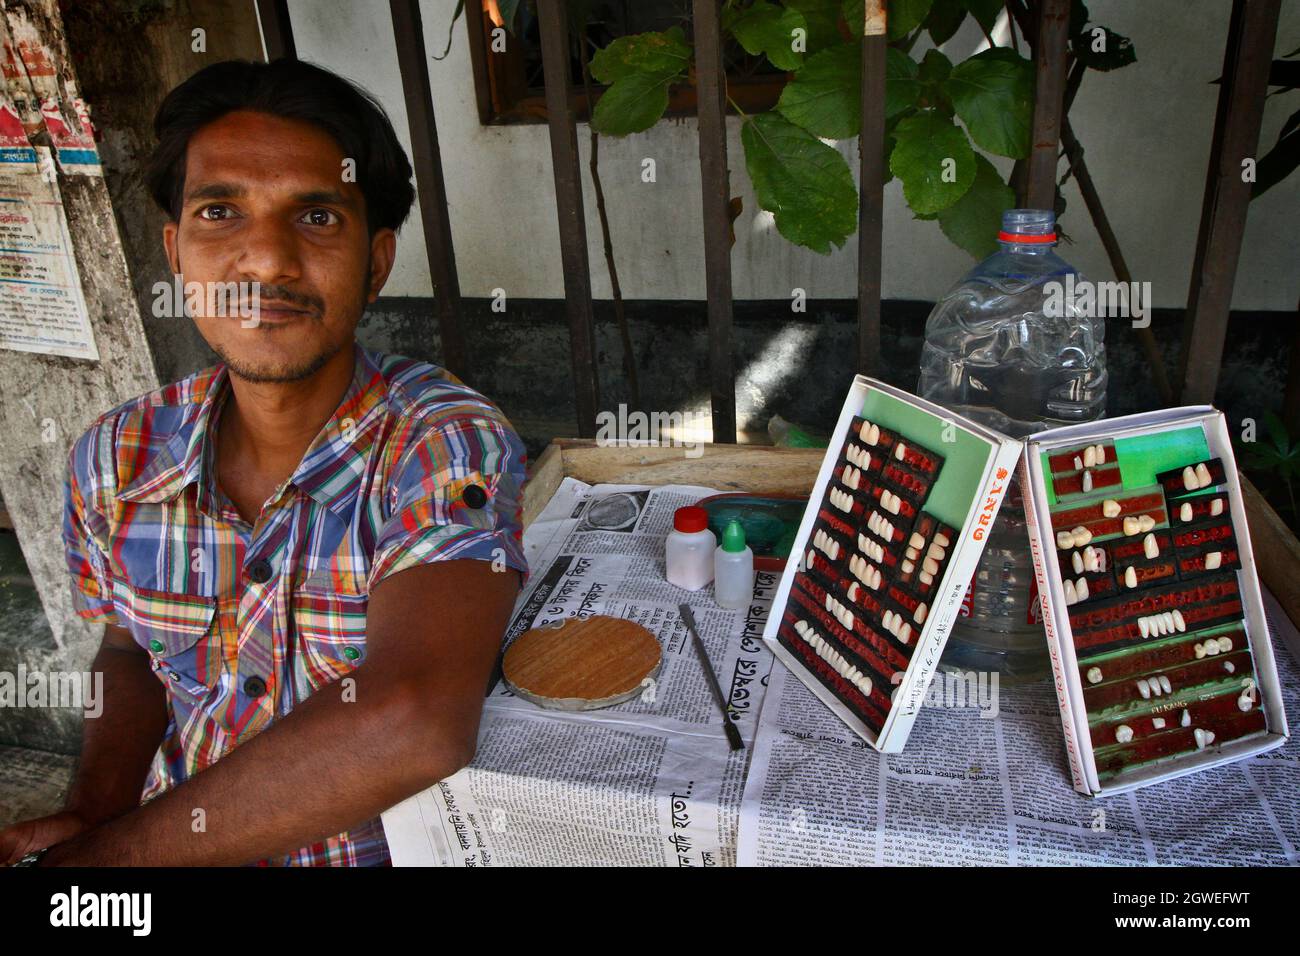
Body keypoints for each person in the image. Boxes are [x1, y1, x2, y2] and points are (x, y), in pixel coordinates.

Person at [0, 59, 529, 866]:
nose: (267, 261)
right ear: (177, 253)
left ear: (377, 263)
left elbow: (414, 718)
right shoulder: (116, 454)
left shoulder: (441, 440)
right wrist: (95, 812)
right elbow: (128, 650)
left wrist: (107, 867)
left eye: (317, 217)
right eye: (221, 212)